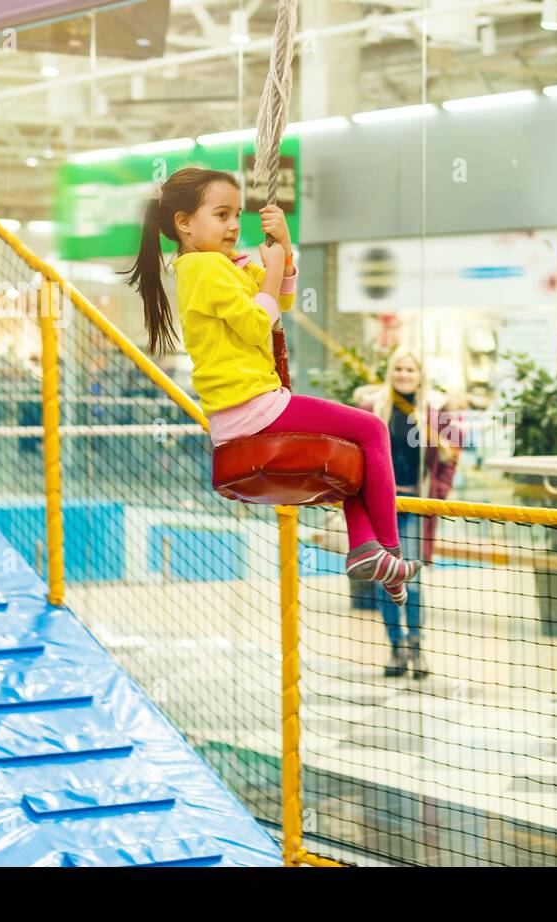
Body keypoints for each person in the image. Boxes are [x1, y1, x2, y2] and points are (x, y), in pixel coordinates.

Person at [122, 166, 421, 605]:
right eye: (221, 215)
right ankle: (391, 553)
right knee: (372, 430)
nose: (232, 227)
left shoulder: (215, 267)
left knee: (356, 462)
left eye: (236, 216)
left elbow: (278, 300)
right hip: (253, 405)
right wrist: (274, 264)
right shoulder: (204, 268)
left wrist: (283, 253)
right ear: (184, 223)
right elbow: (256, 324)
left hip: (246, 407)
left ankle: (365, 550)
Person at [353, 347, 459, 678]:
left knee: (410, 581)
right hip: (382, 508)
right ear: (390, 372)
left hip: (416, 507)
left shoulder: (436, 413)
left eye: (410, 370)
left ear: (420, 375)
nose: (404, 375)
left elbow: (450, 459)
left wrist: (437, 497)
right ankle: (396, 649)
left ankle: (416, 648)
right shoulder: (373, 410)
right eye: (399, 369)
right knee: (387, 580)